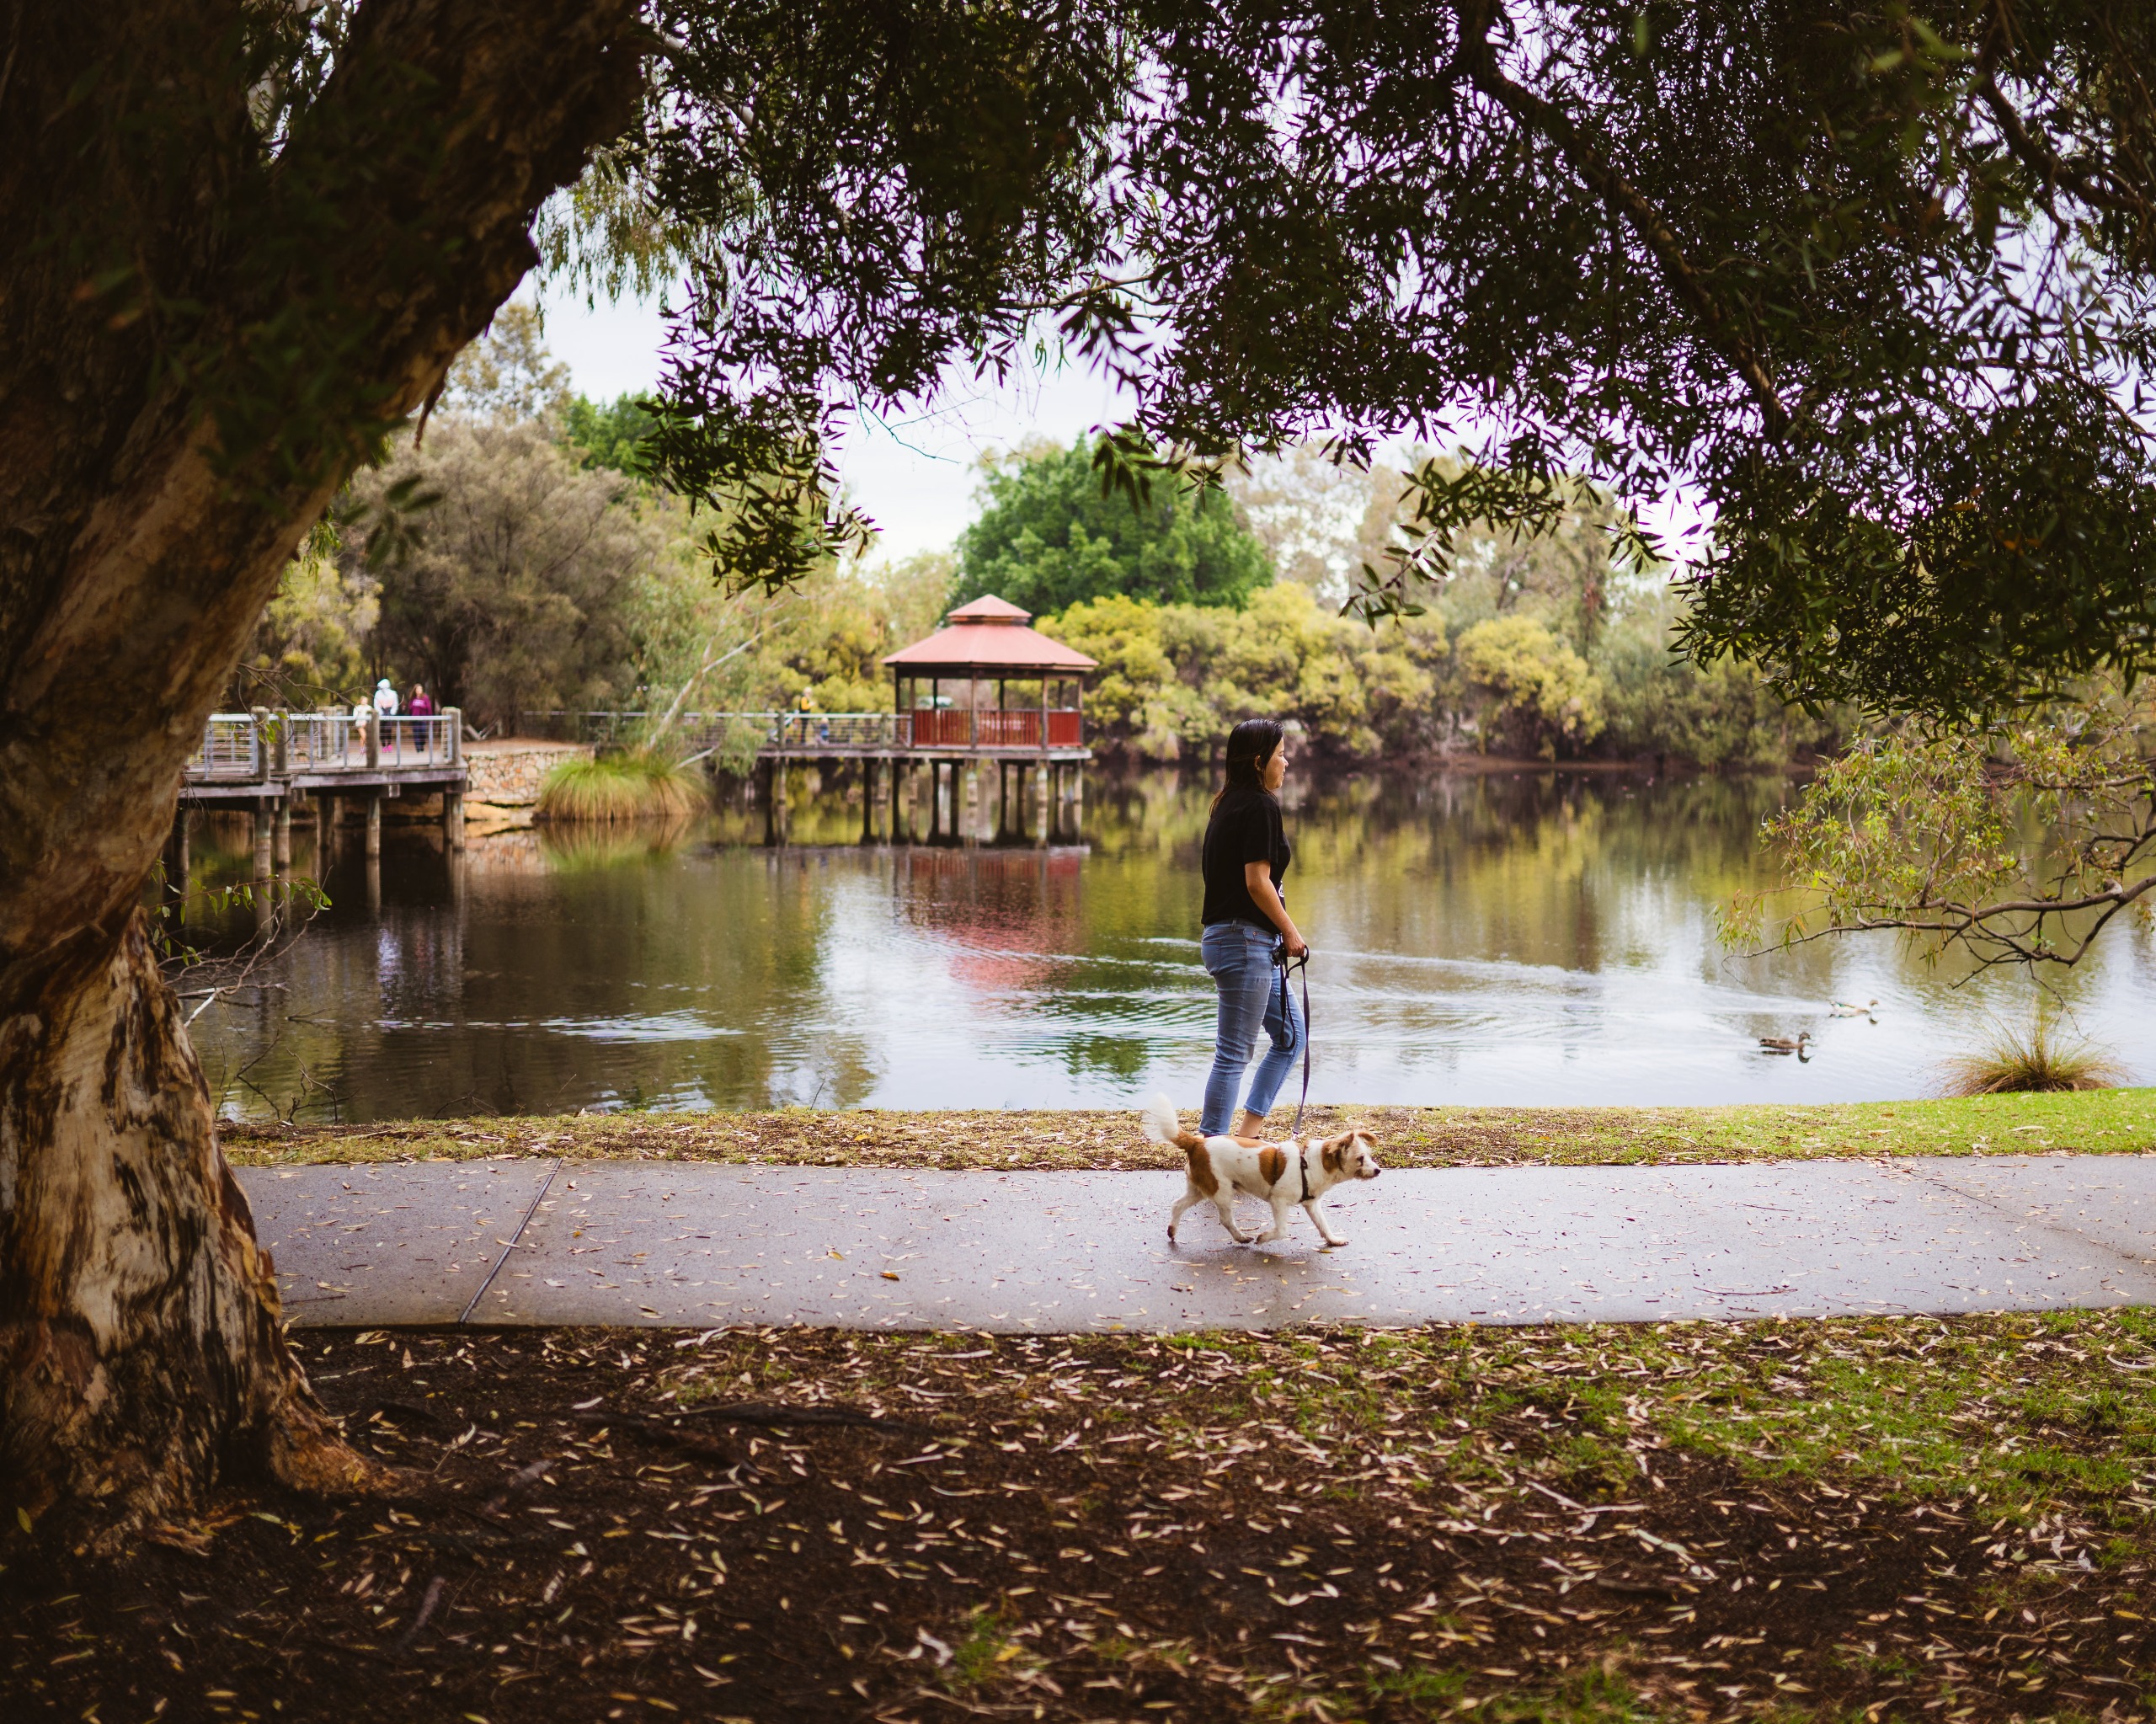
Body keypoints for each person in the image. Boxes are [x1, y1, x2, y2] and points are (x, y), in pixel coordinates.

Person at [1198, 718, 1308, 1144]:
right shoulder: (1260, 806)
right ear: (1261, 761)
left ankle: (1245, 1142)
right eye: (1281, 754)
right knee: (1233, 1054)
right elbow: (1256, 882)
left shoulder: (1227, 803)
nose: (1287, 761)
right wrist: (1292, 933)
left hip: (1242, 942)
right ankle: (1209, 1153)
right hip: (1245, 942)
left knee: (1291, 1037)